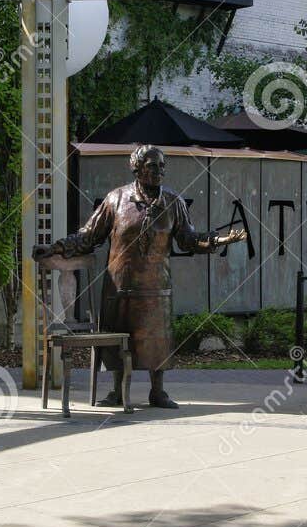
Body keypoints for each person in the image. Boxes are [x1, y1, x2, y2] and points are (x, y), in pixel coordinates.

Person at [33, 144, 246, 409]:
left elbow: (188, 240)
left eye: (162, 165)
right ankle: (118, 391)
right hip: (120, 286)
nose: (160, 171)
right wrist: (56, 248)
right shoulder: (116, 200)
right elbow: (88, 236)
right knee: (117, 337)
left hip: (156, 285)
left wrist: (218, 239)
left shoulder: (173, 202)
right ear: (137, 168)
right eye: (153, 165)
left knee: (157, 339)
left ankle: (158, 391)